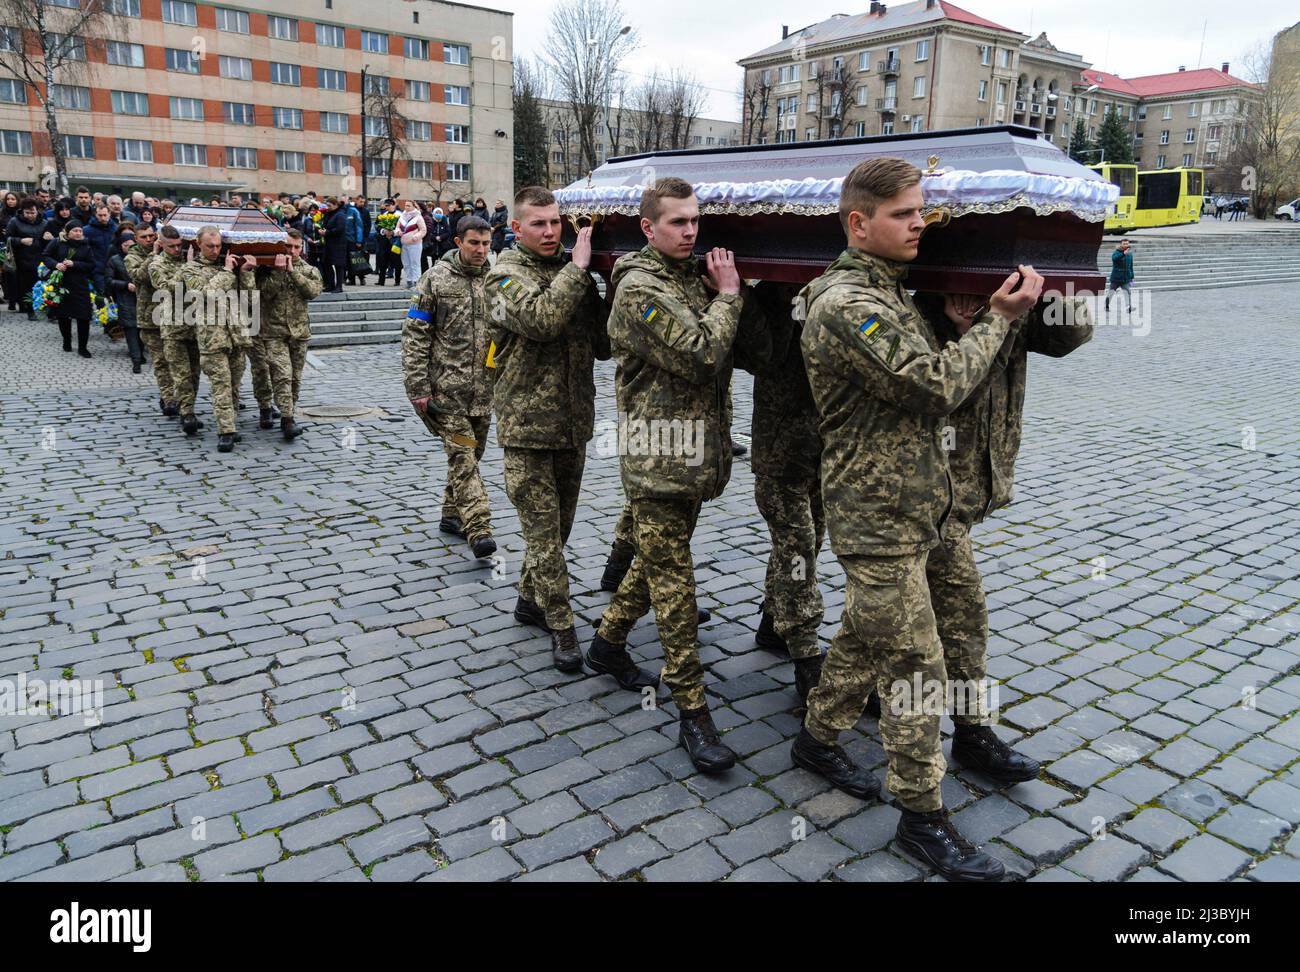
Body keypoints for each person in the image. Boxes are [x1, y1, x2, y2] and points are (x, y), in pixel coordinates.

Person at [794, 156, 1043, 883]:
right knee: (914, 664)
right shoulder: (847, 303)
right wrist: (996, 322)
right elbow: (934, 388)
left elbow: (934, 379)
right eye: (905, 214)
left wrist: (969, 327)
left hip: (924, 508)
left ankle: (822, 735)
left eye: (923, 211)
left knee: (937, 619)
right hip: (875, 518)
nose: (921, 224)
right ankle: (922, 817)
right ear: (858, 222)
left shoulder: (892, 293)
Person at [863, 286, 1093, 783]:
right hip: (921, 491)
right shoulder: (914, 308)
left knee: (904, 614)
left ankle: (866, 705)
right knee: (953, 615)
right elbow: (932, 388)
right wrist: (972, 330)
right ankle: (964, 731)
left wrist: (1048, 279)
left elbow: (1071, 336)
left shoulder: (1016, 300)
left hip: (966, 490)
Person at [588, 177, 770, 773]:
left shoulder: (692, 278)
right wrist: (730, 295)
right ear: (647, 227)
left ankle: (607, 643)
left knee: (655, 560)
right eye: (677, 223)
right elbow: (701, 353)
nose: (690, 231)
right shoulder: (639, 289)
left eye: (695, 221)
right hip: (656, 462)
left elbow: (748, 351)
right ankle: (694, 714)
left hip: (695, 459)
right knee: (675, 585)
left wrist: (756, 294)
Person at [484, 186, 609, 672]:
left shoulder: (572, 274)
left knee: (559, 528)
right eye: (539, 224)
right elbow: (542, 320)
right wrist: (579, 271)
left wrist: (608, 287)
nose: (551, 231)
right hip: (525, 427)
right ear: (516, 229)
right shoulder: (504, 277)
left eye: (556, 222)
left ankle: (529, 600)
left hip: (573, 422)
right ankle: (562, 626)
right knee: (543, 536)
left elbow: (602, 345)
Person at [746, 280, 826, 705]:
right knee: (799, 549)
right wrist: (783, 301)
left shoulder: (836, 292)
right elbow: (760, 355)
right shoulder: (767, 298)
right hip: (780, 451)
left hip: (825, 448)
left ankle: (773, 621)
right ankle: (807, 658)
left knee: (808, 538)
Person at [403, 215, 498, 560]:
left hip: (484, 393)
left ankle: (450, 514)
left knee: (471, 457)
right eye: (474, 243)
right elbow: (416, 334)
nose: (481, 250)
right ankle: (479, 527)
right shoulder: (435, 280)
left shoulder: (496, 278)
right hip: (447, 394)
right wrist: (417, 387)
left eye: (486, 243)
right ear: (458, 242)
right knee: (464, 458)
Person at [182, 226, 255, 453]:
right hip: (212, 338)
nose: (215, 250)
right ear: (198, 245)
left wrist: (245, 272)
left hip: (235, 334)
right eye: (210, 246)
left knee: (234, 384)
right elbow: (206, 294)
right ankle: (225, 432)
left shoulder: (230, 266)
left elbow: (249, 297)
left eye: (218, 246)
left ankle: (230, 422)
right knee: (221, 385)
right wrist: (226, 271)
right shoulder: (190, 269)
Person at [254, 229, 321, 441]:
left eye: (296, 247)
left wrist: (292, 272)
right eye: (288, 246)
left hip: (299, 333)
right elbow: (263, 294)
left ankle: (287, 411)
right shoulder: (266, 270)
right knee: (282, 374)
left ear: (302, 248)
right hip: (273, 332)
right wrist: (277, 272)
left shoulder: (309, 270)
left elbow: (312, 291)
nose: (292, 251)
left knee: (294, 378)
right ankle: (287, 418)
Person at [151, 225, 204, 436]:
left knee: (194, 373)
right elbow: (165, 287)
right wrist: (188, 267)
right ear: (161, 244)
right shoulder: (157, 264)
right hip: (172, 327)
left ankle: (188, 409)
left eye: (178, 245)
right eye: (171, 246)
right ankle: (187, 413)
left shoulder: (187, 259)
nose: (176, 249)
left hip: (194, 323)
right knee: (180, 374)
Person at [124, 223, 176, 416]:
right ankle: (169, 398)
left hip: (172, 314)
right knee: (161, 361)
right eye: (144, 237)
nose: (149, 239)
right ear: (136, 238)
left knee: (175, 360)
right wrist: (153, 255)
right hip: (150, 317)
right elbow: (140, 276)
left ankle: (178, 395)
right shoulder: (132, 257)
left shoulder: (167, 251)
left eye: (151, 236)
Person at [42, 221, 97, 358]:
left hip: (80, 286)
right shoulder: (57, 242)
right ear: (67, 232)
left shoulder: (86, 246)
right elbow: (45, 256)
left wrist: (75, 264)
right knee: (63, 315)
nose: (78, 233)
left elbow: (91, 265)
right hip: (61, 284)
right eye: (75, 231)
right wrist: (56, 264)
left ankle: (82, 347)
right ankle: (67, 341)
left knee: (83, 316)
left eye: (80, 231)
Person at [108, 231, 145, 372]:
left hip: (142, 298)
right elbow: (109, 280)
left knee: (142, 329)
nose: (129, 248)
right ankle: (135, 360)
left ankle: (140, 355)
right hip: (125, 298)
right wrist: (125, 285)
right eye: (125, 245)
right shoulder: (115, 260)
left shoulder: (141, 258)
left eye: (132, 245)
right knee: (131, 329)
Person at [7, 198, 46, 320]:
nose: (30, 215)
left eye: (32, 212)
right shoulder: (14, 222)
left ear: (37, 211)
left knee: (41, 284)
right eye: (27, 213)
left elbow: (49, 241)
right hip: (22, 259)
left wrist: (48, 238)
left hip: (40, 259)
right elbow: (7, 239)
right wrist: (20, 241)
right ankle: (30, 310)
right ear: (22, 211)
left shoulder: (44, 223)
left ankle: (43, 307)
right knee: (27, 285)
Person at [83, 204, 117, 299]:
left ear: (109, 214)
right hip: (97, 269)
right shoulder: (87, 231)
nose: (103, 218)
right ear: (95, 215)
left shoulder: (116, 229)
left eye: (105, 215)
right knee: (102, 296)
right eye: (100, 215)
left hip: (113, 268)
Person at [320, 197, 350, 293]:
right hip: (329, 243)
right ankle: (331, 284)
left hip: (338, 244)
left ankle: (339, 286)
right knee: (327, 264)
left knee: (338, 265)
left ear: (336, 205)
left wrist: (327, 232)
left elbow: (340, 229)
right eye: (327, 205)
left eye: (330, 205)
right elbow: (325, 224)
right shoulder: (329, 214)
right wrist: (321, 230)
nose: (328, 207)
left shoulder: (340, 214)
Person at [1, 190, 25, 311]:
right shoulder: (2, 214)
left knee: (20, 276)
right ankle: (11, 300)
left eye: (13, 199)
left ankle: (21, 302)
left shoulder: (21, 214)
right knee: (9, 275)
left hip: (20, 248)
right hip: (7, 249)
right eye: (8, 199)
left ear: (17, 200)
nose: (10, 201)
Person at [396, 199, 426, 289]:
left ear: (414, 206)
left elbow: (423, 230)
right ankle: (409, 281)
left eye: (409, 205)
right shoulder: (402, 217)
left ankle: (417, 282)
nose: (407, 207)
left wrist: (416, 236)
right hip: (404, 244)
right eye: (406, 205)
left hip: (415, 244)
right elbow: (397, 227)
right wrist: (398, 232)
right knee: (406, 264)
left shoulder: (418, 217)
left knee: (415, 263)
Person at [373, 198, 400, 285]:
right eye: (386, 205)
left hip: (395, 241)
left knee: (396, 261)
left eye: (388, 205)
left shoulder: (399, 215)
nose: (387, 207)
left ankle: (397, 281)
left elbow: (402, 227)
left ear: (393, 205)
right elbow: (377, 225)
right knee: (382, 261)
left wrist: (393, 232)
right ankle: (381, 281)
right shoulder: (383, 215)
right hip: (384, 241)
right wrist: (383, 231)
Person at [1105, 238, 1133, 314]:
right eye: (1124, 244)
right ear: (1121, 244)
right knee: (1111, 293)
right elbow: (1114, 259)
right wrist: (1123, 254)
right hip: (1116, 278)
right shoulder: (1117, 252)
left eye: (1127, 243)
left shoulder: (1130, 254)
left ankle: (1129, 307)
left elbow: (1131, 266)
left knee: (1128, 292)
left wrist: (1131, 277)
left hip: (1125, 278)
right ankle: (1107, 305)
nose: (1126, 245)